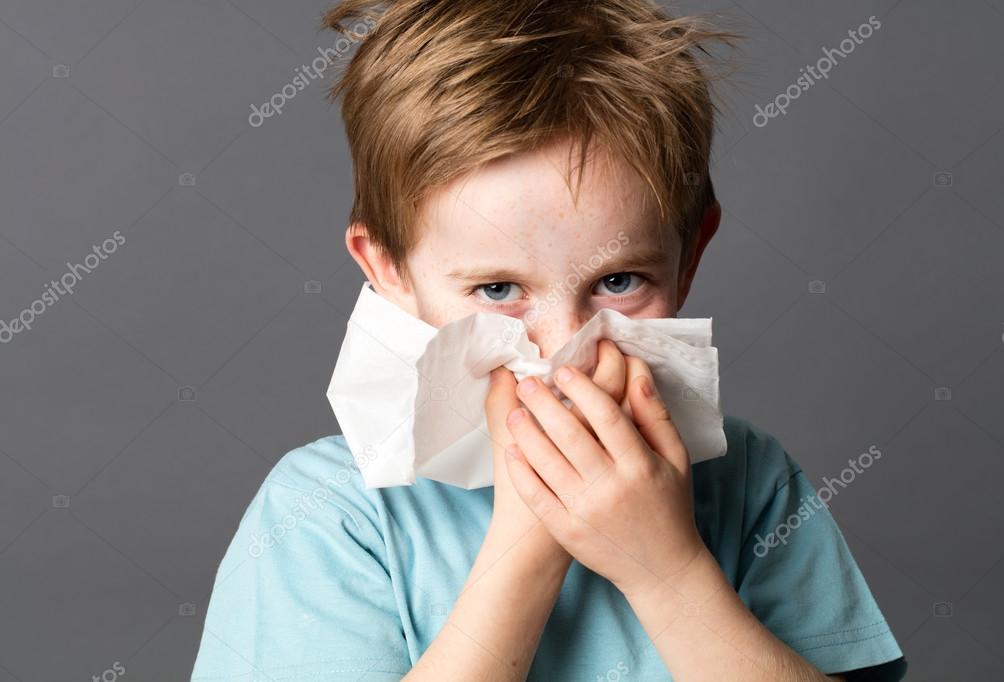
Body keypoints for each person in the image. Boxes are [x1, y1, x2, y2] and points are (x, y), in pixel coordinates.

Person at [191, 1, 907, 679]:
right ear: (388, 271)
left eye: (620, 280)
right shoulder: (329, 511)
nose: (567, 345)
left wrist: (667, 570)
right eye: (498, 290)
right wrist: (525, 544)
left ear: (689, 255)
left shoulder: (749, 480)